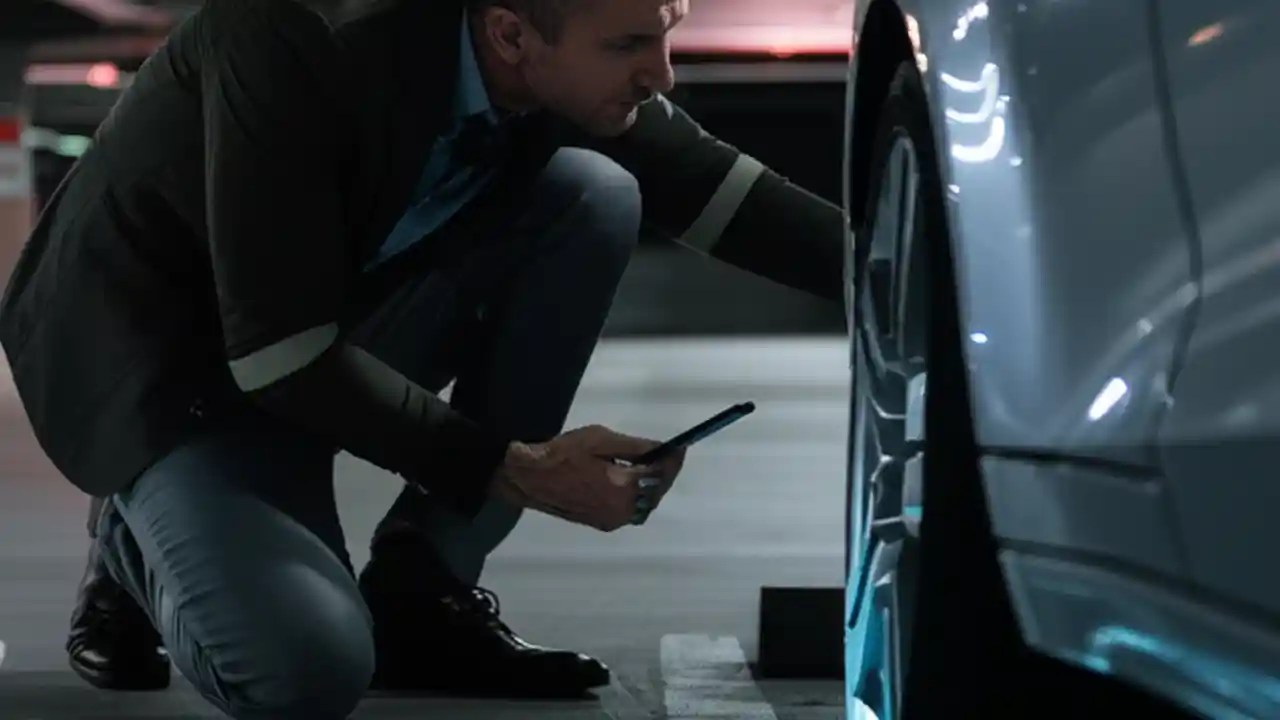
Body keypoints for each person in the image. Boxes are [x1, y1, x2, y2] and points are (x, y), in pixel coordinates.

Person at [0, 0, 844, 717]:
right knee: (301, 674)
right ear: (512, 35)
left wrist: (927, 265)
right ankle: (134, 530)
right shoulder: (295, 43)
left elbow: (726, 196)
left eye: (667, 30)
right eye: (628, 46)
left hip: (304, 331)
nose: (661, 74)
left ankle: (422, 593)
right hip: (164, 371)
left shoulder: (536, 52)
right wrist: (515, 468)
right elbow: (277, 355)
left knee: (592, 196)